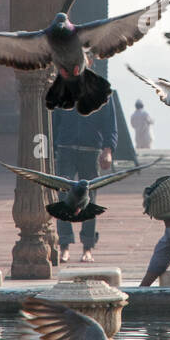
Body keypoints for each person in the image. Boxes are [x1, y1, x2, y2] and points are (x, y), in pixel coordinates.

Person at [51, 91, 117, 263]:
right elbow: (53, 121)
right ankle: (64, 245)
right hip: (66, 147)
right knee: (64, 196)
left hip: (91, 149)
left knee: (89, 198)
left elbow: (109, 123)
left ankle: (87, 247)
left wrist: (108, 149)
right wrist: (51, 149)